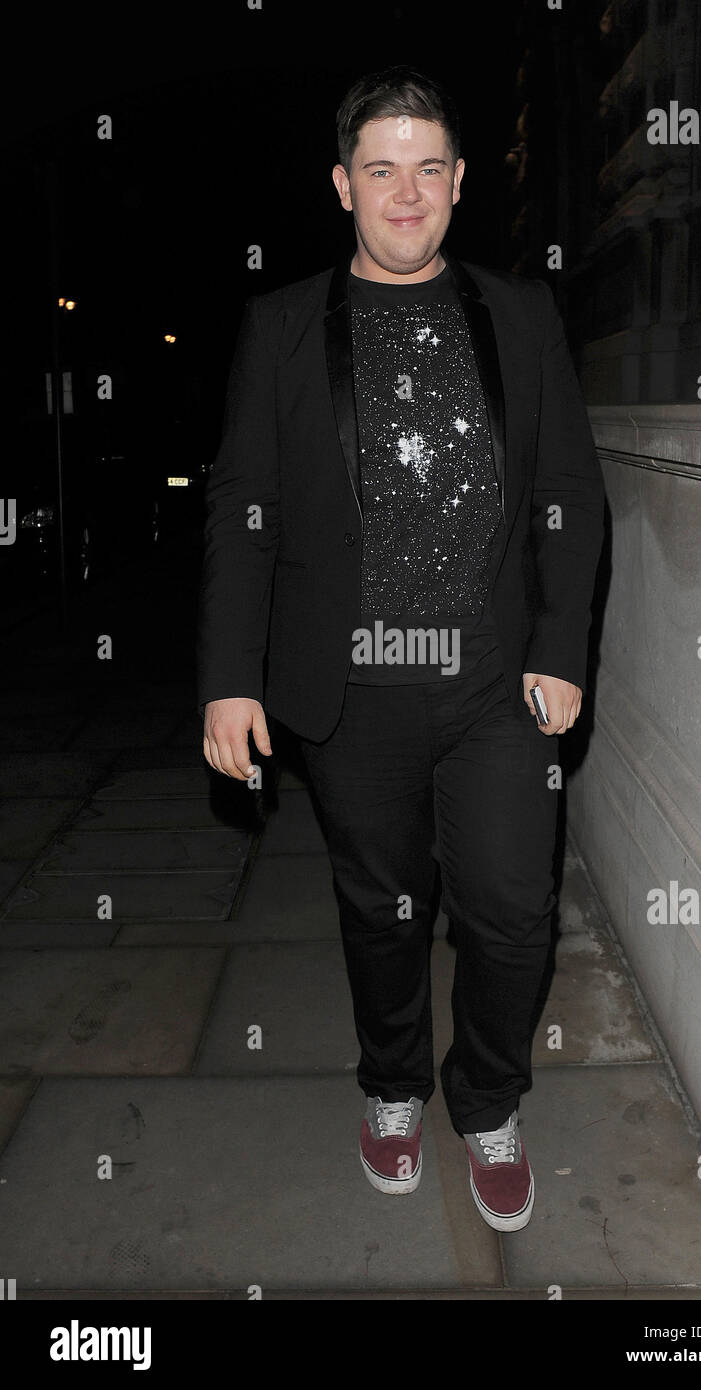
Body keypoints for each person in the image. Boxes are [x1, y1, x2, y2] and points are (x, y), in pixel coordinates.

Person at [197, 65, 605, 1232]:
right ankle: (391, 1087)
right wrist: (229, 677)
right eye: (382, 168)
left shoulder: (518, 314)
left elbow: (569, 490)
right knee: (383, 914)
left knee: (512, 908)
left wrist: (563, 643)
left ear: (460, 181)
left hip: (494, 684)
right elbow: (240, 507)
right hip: (352, 690)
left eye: (429, 167)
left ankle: (485, 1099)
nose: (406, 190)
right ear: (343, 185)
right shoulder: (281, 328)